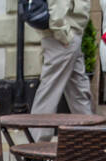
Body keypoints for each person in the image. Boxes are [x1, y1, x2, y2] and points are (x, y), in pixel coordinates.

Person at [30, 0, 94, 138]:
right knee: (50, 91)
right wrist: (63, 34)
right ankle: (36, 145)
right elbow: (58, 5)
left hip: (69, 34)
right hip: (63, 37)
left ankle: (90, 139)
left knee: (79, 90)